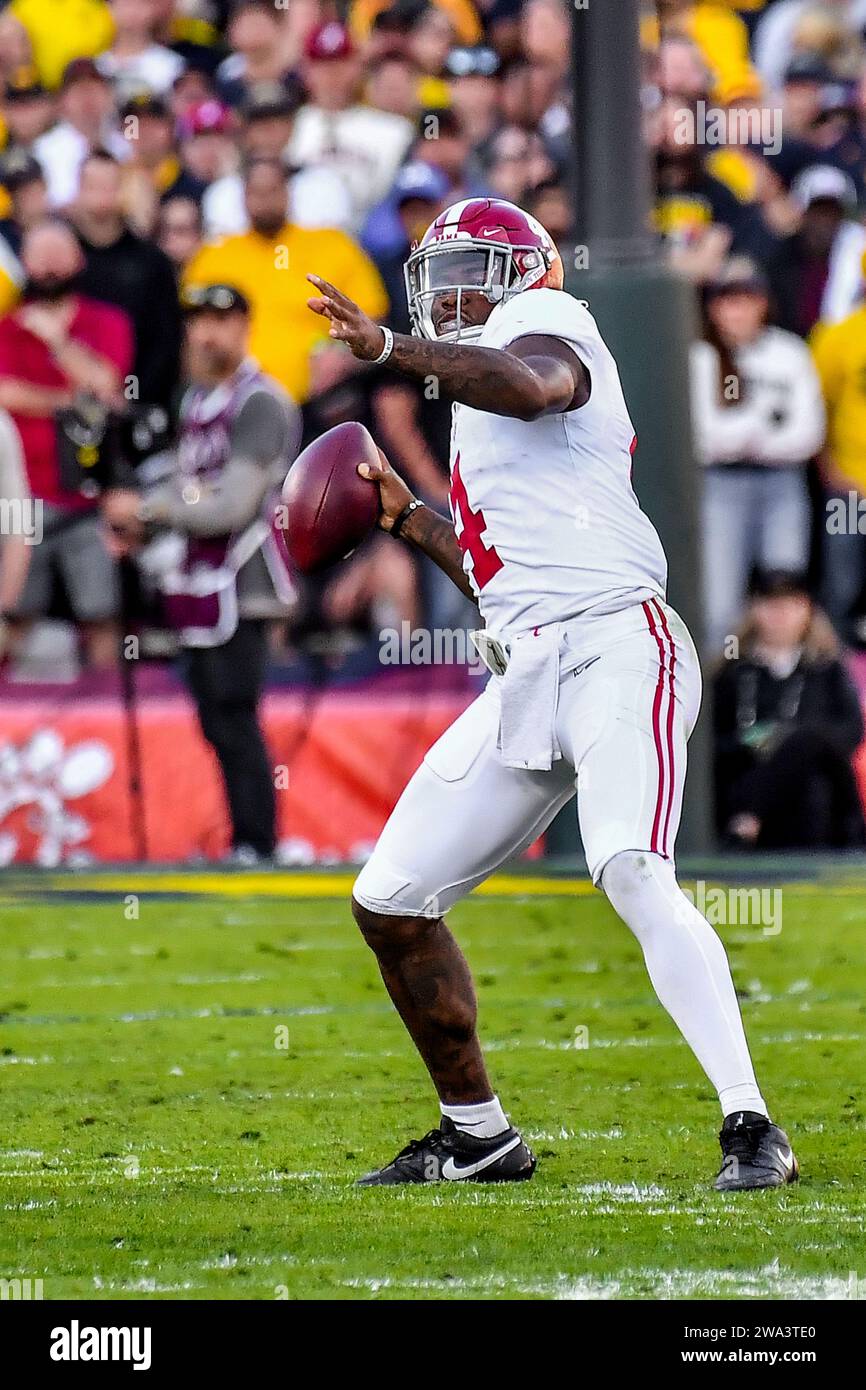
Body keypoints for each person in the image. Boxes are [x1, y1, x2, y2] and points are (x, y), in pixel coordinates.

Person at [306, 195, 798, 1191]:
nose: (444, 292)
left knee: (625, 864)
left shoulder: (550, 328)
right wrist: (412, 524)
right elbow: (502, 578)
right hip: (527, 666)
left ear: (518, 272)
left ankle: (751, 1127)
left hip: (619, 642)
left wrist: (389, 347)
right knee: (391, 899)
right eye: (433, 276)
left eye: (463, 270)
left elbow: (532, 388)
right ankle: (477, 1134)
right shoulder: (471, 396)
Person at [102, 283, 300, 863]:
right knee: (215, 717)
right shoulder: (195, 401)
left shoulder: (260, 402)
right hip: (201, 579)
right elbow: (189, 485)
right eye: (199, 321)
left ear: (245, 325)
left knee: (236, 712)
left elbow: (231, 506)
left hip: (248, 580)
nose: (208, 333)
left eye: (222, 320)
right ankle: (244, 838)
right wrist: (141, 514)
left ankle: (257, 843)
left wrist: (146, 511)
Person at [0, 219, 133, 670]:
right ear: (26, 263)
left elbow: (108, 387)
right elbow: (4, 393)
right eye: (41, 254)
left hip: (87, 493)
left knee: (101, 616)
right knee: (12, 614)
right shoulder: (5, 328)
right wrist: (71, 400)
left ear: (78, 260)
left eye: (60, 253)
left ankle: (110, 715)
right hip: (20, 496)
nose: (51, 265)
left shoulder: (107, 321)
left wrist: (57, 342)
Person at [691, 256, 825, 653]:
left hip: (782, 485)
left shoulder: (789, 352)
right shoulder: (700, 356)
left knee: (786, 592)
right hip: (721, 485)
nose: (737, 310)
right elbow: (703, 438)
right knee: (720, 606)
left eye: (746, 299)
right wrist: (759, 429)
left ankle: (787, 698)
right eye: (728, 300)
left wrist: (750, 438)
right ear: (714, 307)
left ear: (763, 303)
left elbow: (808, 434)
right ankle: (723, 702)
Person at [185, 156, 388, 404]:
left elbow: (373, 320)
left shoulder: (333, 246)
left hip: (321, 400)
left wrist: (343, 359)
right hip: (235, 402)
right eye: (256, 192)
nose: (265, 200)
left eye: (272, 190)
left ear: (288, 192)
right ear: (243, 196)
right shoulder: (214, 255)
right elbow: (191, 334)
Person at [713, 570, 866, 848]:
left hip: (821, 788)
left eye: (791, 605)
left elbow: (850, 733)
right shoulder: (731, 672)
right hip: (744, 777)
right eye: (771, 605)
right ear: (753, 610)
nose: (780, 615)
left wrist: (790, 740)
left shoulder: (827, 668)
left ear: (808, 610)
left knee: (805, 746)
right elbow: (710, 743)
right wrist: (753, 742)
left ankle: (750, 817)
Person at [70, 149, 182, 460]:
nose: (102, 198)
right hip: (70, 410)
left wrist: (133, 398)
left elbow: (167, 340)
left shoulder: (152, 262)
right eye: (93, 186)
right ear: (78, 190)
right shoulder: (62, 262)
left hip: (141, 409)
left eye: (109, 186)